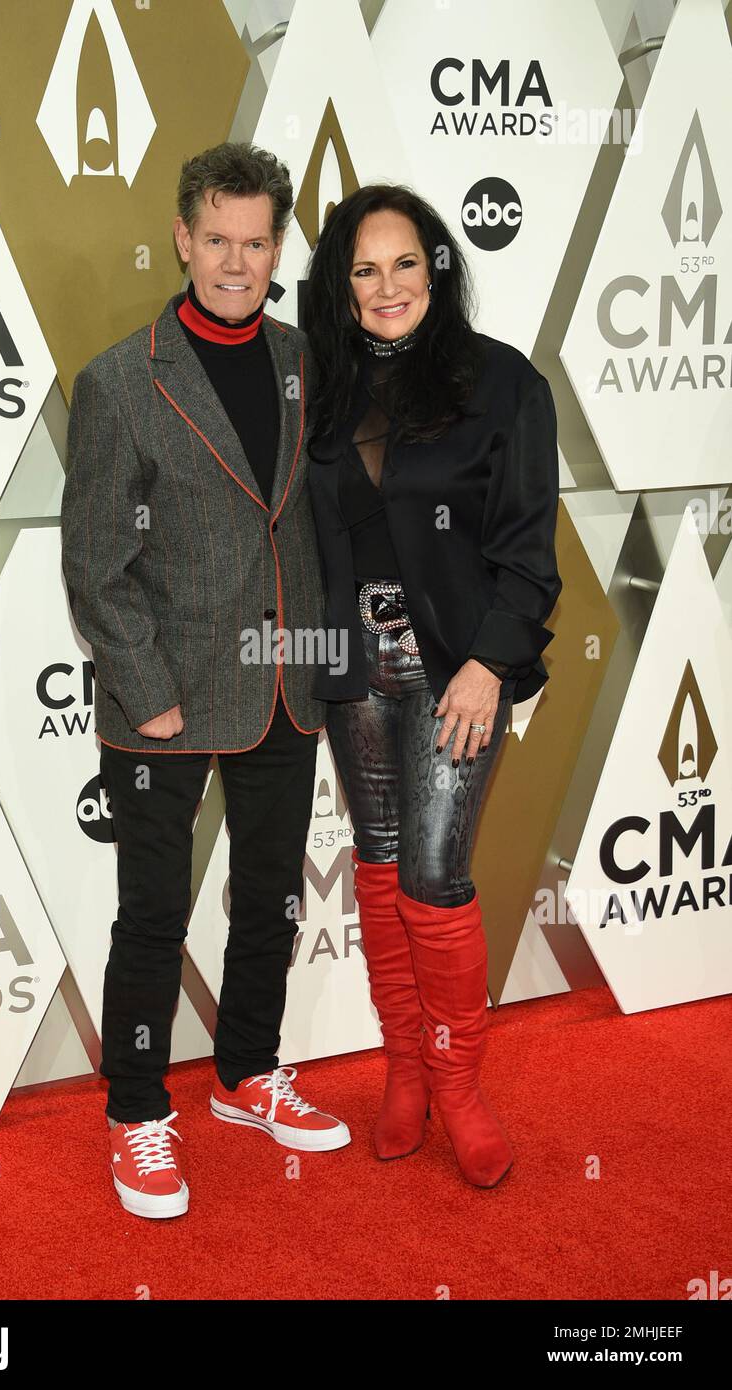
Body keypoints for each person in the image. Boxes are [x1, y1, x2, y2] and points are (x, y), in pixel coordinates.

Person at [61, 142, 350, 1221]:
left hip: (285, 681)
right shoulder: (118, 381)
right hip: (166, 697)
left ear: (279, 247)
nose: (236, 260)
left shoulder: (303, 357)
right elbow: (94, 559)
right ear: (182, 239)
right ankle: (135, 1113)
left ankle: (244, 1072)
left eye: (257, 241)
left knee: (271, 897)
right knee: (153, 917)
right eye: (216, 239)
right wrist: (144, 689)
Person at [304, 184, 562, 1188]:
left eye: (403, 262)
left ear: (436, 267)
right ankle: (403, 1070)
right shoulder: (318, 392)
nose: (384, 284)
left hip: (456, 670)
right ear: (342, 283)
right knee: (376, 863)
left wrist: (489, 666)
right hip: (352, 674)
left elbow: (529, 547)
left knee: (433, 877)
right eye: (362, 268)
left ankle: (457, 1086)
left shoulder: (501, 384)